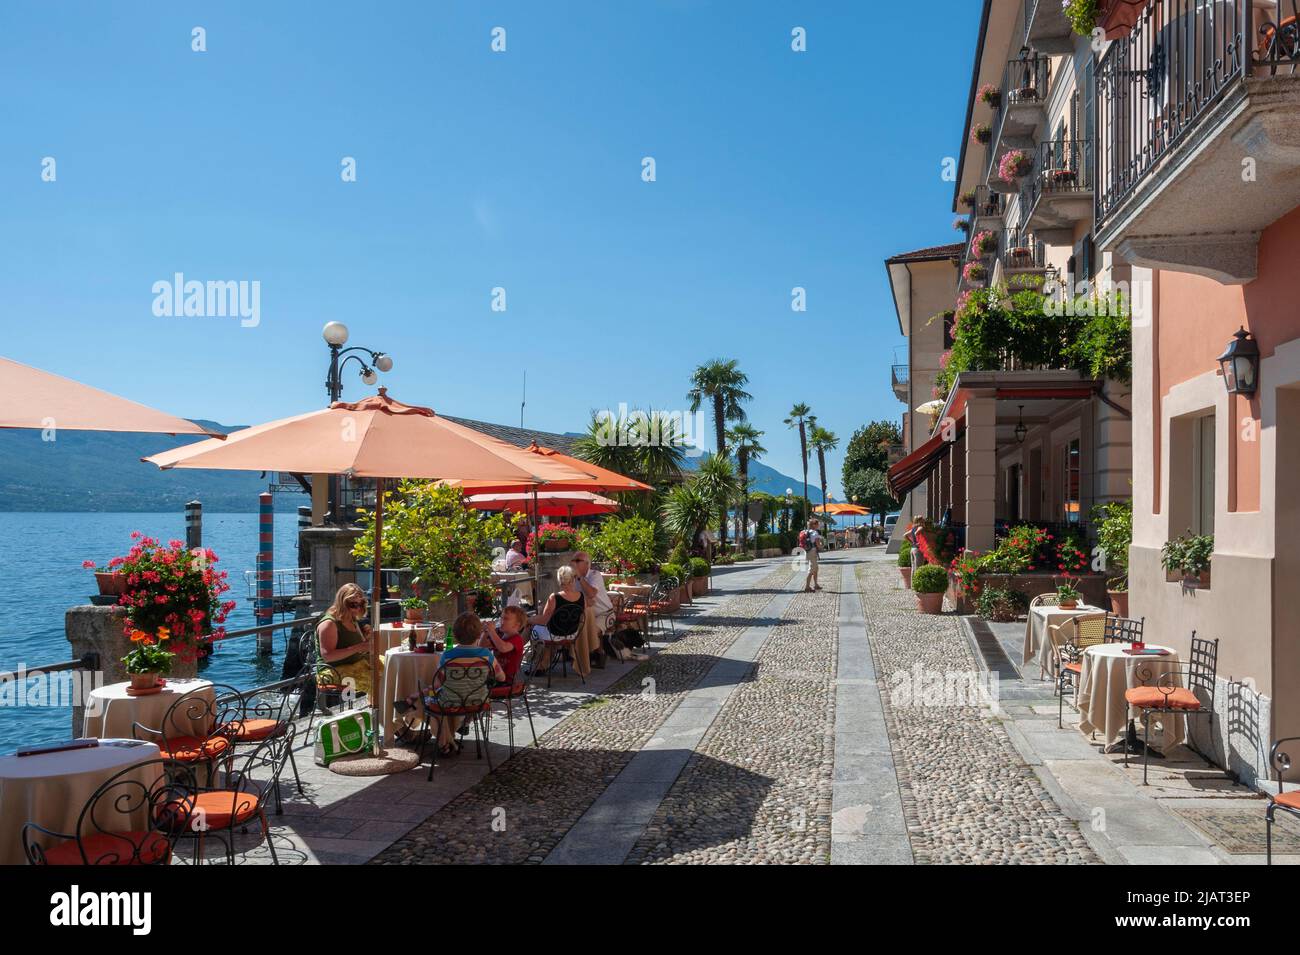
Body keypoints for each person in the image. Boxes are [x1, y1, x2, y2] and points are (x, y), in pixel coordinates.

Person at [431, 611, 503, 755]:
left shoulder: (447, 656)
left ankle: (444, 742)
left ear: (455, 636)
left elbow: (438, 684)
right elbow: (501, 677)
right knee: (443, 700)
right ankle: (459, 728)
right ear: (479, 635)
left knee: (432, 701)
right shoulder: (486, 655)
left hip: (450, 702)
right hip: (478, 702)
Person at [528, 565, 588, 677]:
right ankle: (543, 664)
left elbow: (544, 620)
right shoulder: (581, 596)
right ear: (573, 579)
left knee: (533, 629)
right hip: (572, 634)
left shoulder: (554, 597)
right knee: (547, 632)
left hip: (555, 635)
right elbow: (581, 617)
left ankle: (537, 664)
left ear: (560, 581)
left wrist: (529, 620)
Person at [316, 583, 374, 699]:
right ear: (342, 602)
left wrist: (365, 638)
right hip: (334, 670)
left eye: (361, 604)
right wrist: (358, 647)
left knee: (392, 671)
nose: (358, 608)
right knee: (378, 682)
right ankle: (379, 711)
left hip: (355, 664)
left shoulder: (351, 618)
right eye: (353, 604)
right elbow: (328, 656)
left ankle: (381, 708)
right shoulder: (329, 624)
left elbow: (352, 643)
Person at [571, 551, 611, 669]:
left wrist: (580, 578)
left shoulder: (595, 575)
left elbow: (592, 593)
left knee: (590, 630)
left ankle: (600, 654)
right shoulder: (573, 578)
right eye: (573, 560)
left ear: (587, 564)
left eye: (577, 561)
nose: (574, 563)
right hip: (584, 613)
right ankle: (580, 657)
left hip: (604, 613)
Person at [480, 605, 528, 685]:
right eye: (501, 618)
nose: (501, 621)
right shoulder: (500, 636)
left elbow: (503, 648)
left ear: (517, 625)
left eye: (506, 619)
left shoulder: (517, 639)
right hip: (497, 676)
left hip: (509, 681)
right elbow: (482, 645)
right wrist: (485, 632)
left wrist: (492, 631)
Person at [801, 519, 823, 593]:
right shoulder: (815, 533)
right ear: (814, 525)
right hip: (812, 552)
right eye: (817, 524)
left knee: (815, 568)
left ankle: (816, 584)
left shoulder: (806, 532)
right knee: (812, 569)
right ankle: (807, 587)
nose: (818, 525)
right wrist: (821, 547)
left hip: (807, 551)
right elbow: (817, 544)